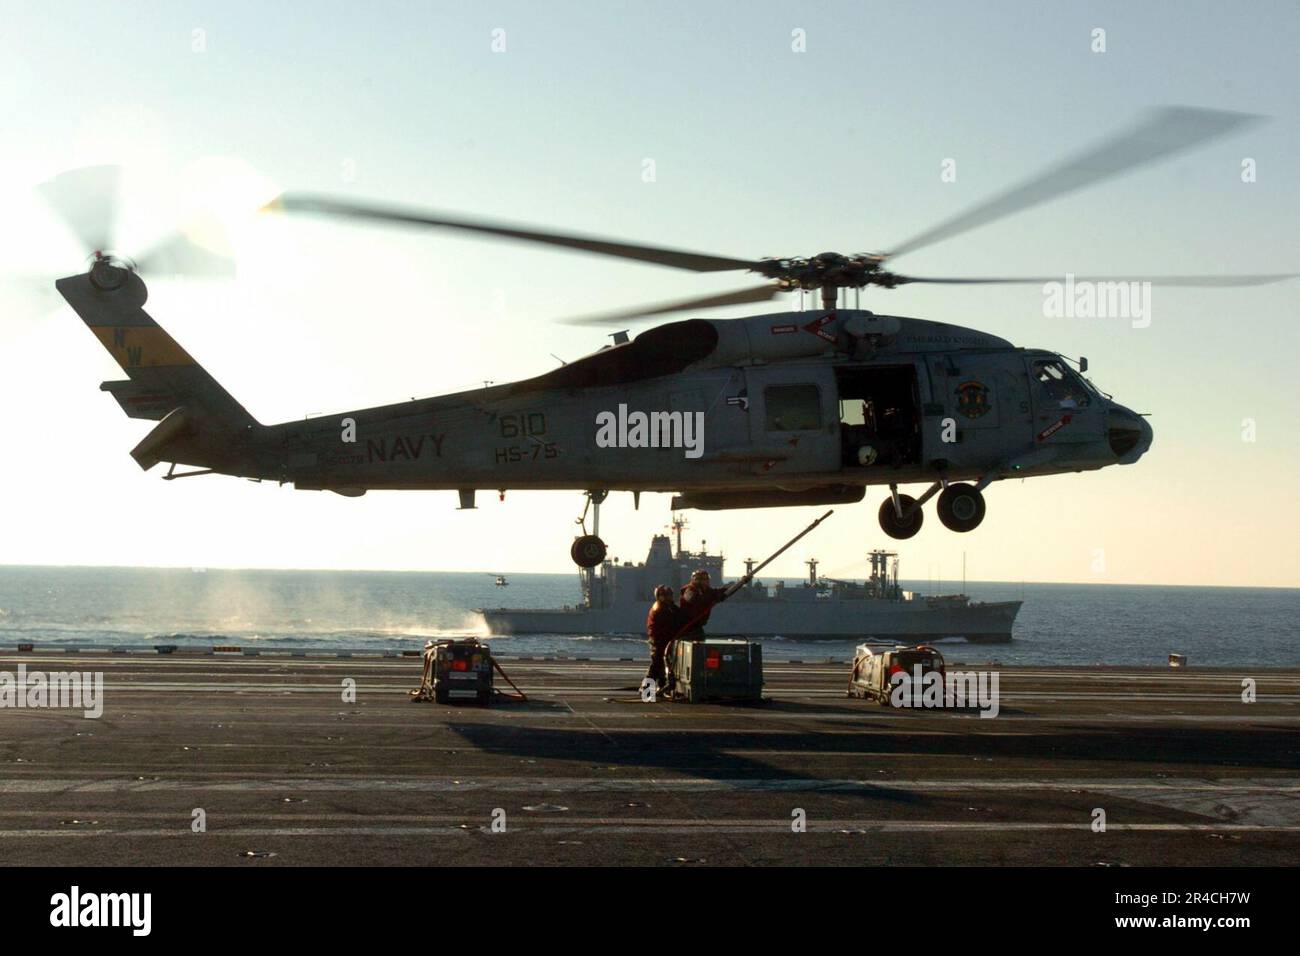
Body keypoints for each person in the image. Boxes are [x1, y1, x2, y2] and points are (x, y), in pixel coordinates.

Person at [645, 585, 683, 694]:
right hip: (659, 642)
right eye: (665, 595)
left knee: (662, 666)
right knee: (655, 667)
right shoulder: (660, 609)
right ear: (659, 596)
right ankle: (646, 691)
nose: (668, 597)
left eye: (669, 595)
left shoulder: (669, 607)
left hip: (665, 641)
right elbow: (672, 623)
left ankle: (661, 688)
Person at [677, 569, 729, 640]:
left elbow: (714, 592)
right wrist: (710, 598)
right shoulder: (689, 590)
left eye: (706, 579)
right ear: (697, 580)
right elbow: (692, 599)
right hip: (687, 627)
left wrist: (725, 590)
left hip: (697, 626)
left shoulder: (705, 590)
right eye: (703, 580)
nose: (706, 582)